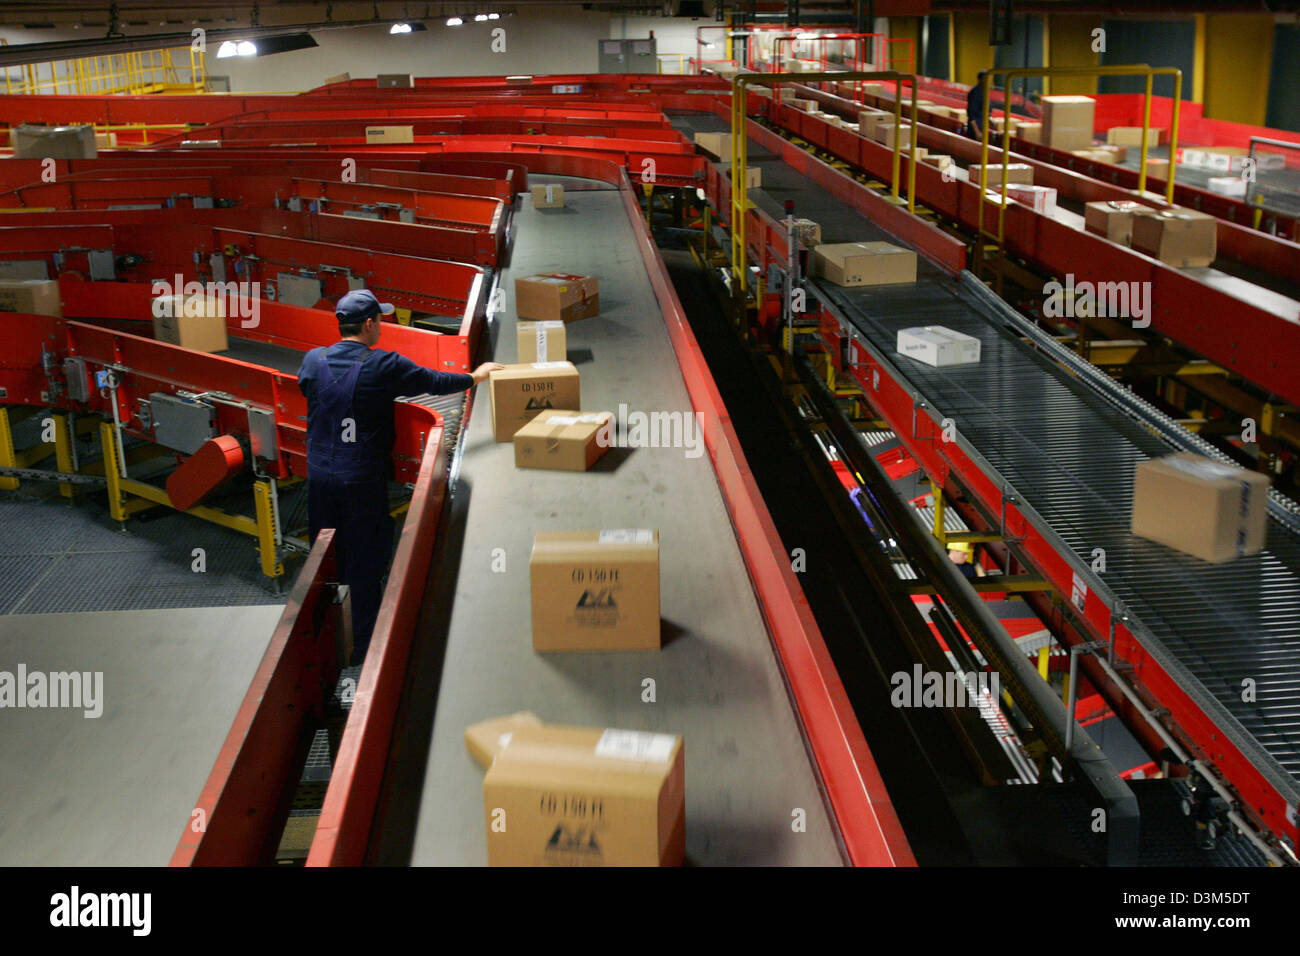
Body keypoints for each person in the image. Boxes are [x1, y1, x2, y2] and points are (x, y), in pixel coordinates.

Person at [297, 289, 502, 665]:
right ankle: (364, 647)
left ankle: (319, 645)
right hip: (360, 477)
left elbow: (307, 389)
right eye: (381, 320)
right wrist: (476, 376)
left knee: (323, 556)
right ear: (370, 323)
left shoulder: (313, 360)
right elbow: (436, 382)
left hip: (319, 474)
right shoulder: (384, 365)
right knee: (365, 560)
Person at [966, 71, 988, 140]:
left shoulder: (984, 91)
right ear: (979, 79)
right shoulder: (975, 92)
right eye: (985, 79)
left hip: (982, 128)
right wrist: (977, 132)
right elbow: (971, 114)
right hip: (975, 130)